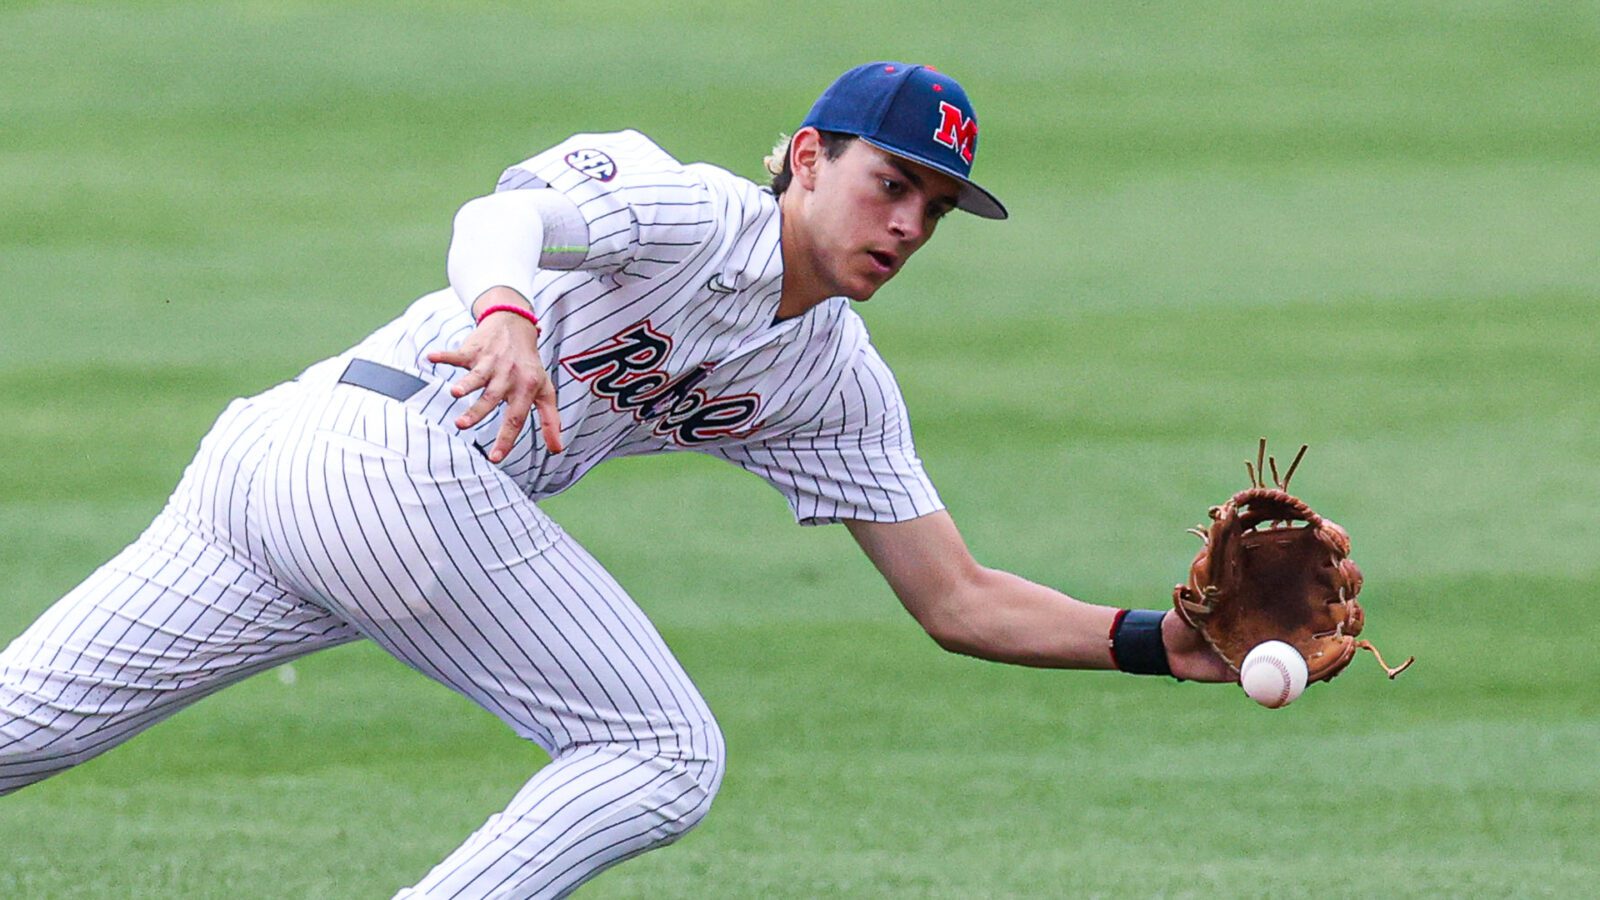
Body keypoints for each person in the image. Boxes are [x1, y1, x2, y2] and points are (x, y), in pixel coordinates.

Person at [0, 62, 1230, 897]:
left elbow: (956, 599)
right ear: (806, 158)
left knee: (20, 728)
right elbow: (505, 215)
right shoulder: (692, 211)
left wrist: (1156, 642)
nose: (908, 224)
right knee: (661, 754)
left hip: (320, 482)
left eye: (935, 207)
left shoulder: (829, 380)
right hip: (367, 462)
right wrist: (503, 315)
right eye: (889, 183)